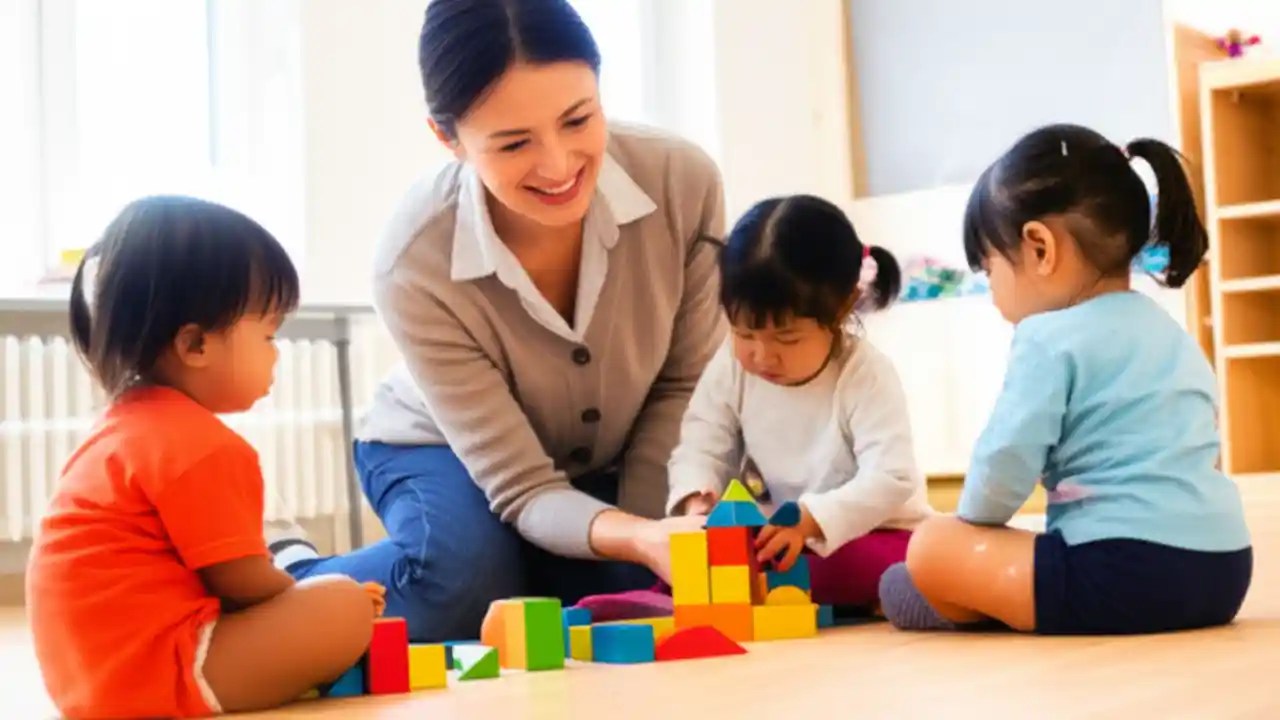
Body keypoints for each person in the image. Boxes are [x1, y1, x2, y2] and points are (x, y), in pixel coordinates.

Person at [270, 0, 723, 641]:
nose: (560, 164)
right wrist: (633, 538)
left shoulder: (684, 181)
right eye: (513, 143)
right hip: (442, 450)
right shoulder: (412, 260)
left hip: (616, 454)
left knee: (627, 591)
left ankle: (541, 564)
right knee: (462, 588)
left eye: (579, 119)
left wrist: (653, 532)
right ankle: (293, 577)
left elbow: (684, 387)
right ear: (447, 138)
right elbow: (520, 486)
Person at [879, 124, 1253, 635]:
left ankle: (974, 602)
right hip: (1224, 568)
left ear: (1038, 249)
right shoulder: (1169, 330)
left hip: (1126, 574)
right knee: (1007, 547)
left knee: (931, 546)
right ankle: (1001, 594)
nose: (992, 290)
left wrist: (969, 525)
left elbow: (1007, 456)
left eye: (989, 268)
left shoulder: (1046, 337)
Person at [25, 196, 385, 718]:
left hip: (94, 682)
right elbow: (242, 583)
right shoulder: (199, 444)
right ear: (195, 345)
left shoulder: (122, 428)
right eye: (268, 334)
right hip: (165, 670)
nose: (276, 353)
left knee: (330, 600)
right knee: (344, 603)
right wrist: (316, 598)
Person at [666, 194, 933, 609]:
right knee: (695, 564)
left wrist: (810, 519)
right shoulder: (731, 367)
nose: (762, 355)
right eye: (744, 333)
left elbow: (892, 478)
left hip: (874, 534)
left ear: (843, 306)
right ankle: (657, 599)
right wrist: (698, 499)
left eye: (786, 339)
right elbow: (703, 440)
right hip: (779, 537)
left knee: (865, 565)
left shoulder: (863, 373)